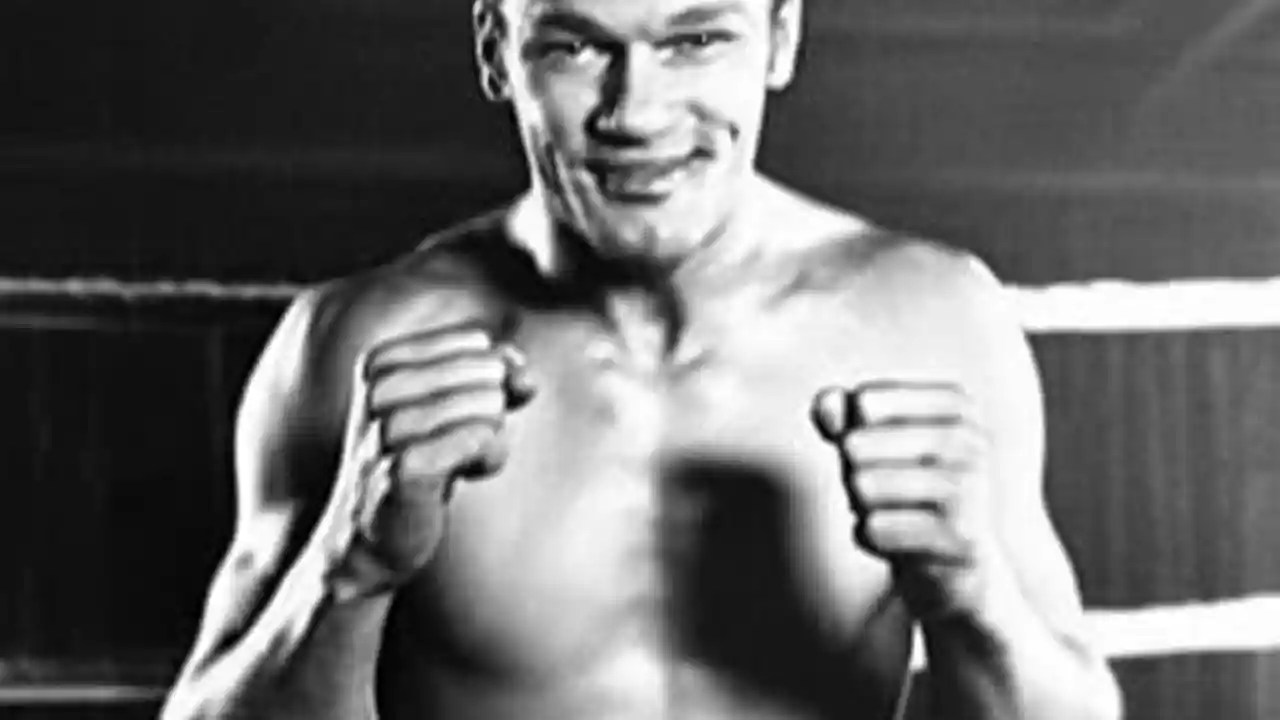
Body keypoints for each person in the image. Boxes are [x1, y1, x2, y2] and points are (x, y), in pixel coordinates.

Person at [162, 0, 1122, 718]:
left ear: (781, 36)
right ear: (496, 49)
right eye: (576, 46)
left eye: (695, 39)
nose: (638, 113)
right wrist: (349, 565)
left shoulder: (932, 318)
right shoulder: (360, 342)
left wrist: (972, 597)